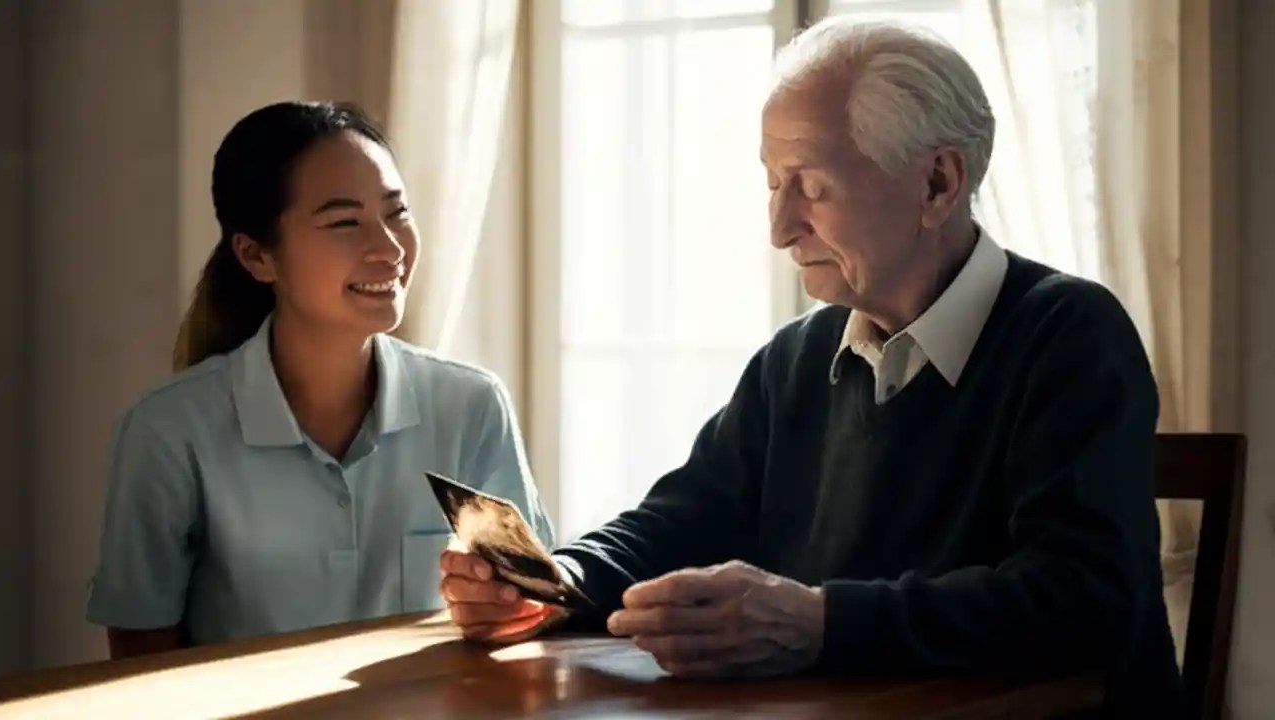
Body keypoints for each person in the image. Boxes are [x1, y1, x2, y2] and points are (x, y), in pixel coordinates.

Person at [437, 20, 1183, 717]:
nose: (780, 228)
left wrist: (820, 621)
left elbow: (1083, 595)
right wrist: (556, 582)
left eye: (813, 186)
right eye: (773, 184)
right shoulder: (795, 357)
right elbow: (680, 522)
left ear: (938, 184)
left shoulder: (1070, 333)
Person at [85, 101, 552, 658]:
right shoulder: (168, 432)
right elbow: (140, 660)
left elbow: (532, 612)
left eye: (397, 212)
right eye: (345, 222)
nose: (390, 248)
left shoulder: (471, 406)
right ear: (256, 256)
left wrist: (504, 608)